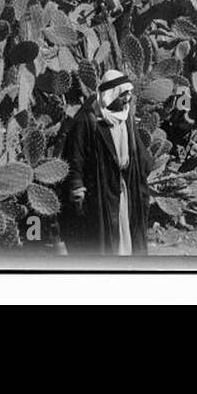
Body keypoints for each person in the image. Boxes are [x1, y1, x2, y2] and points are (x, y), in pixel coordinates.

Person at [62, 70, 152, 255]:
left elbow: (139, 151)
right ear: (111, 95)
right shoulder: (88, 120)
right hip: (101, 186)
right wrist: (77, 187)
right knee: (105, 233)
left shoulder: (126, 116)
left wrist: (143, 171)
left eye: (129, 94)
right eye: (124, 94)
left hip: (126, 182)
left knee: (126, 223)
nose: (128, 98)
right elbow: (75, 157)